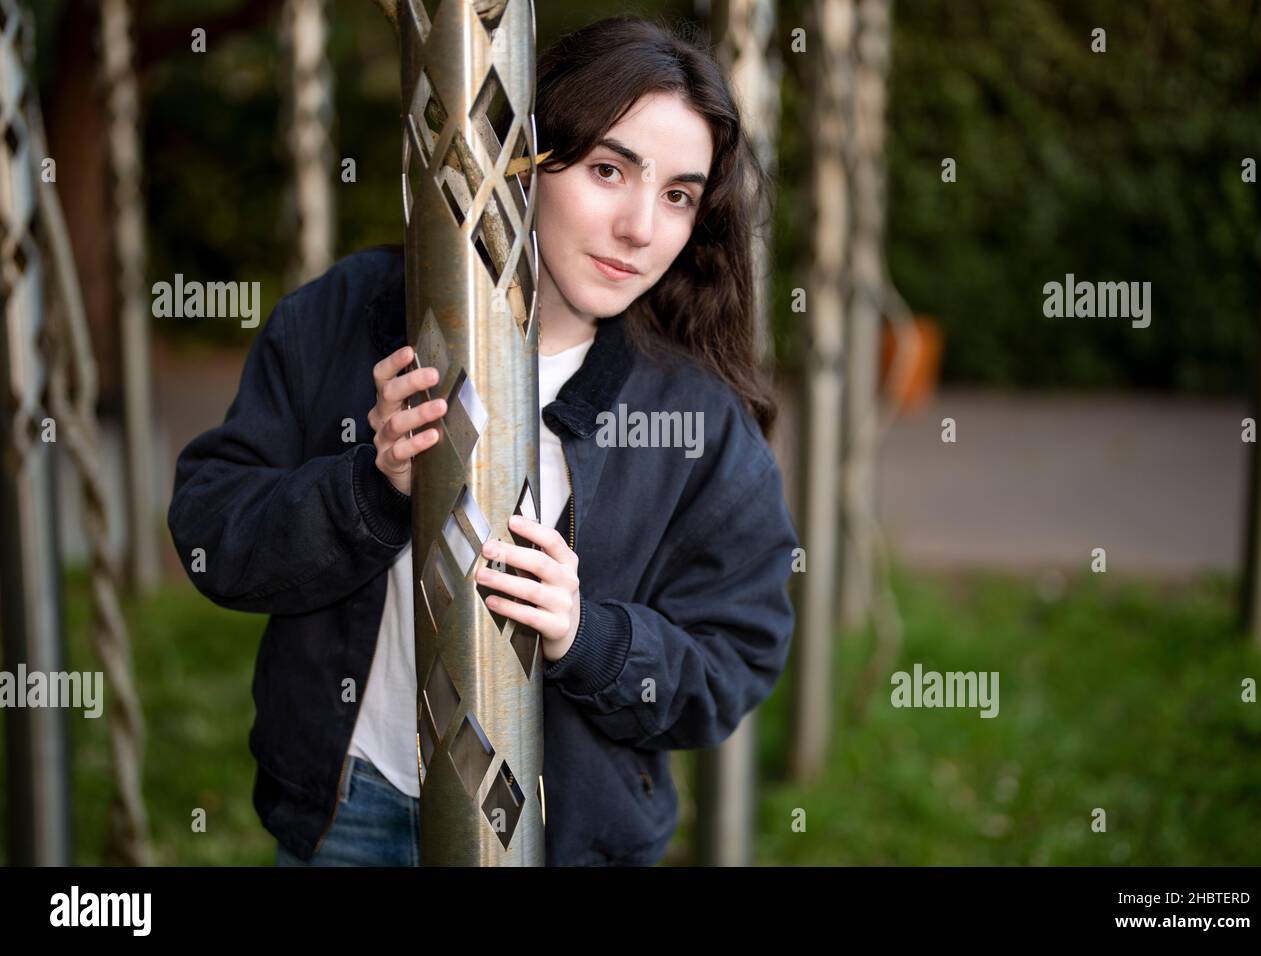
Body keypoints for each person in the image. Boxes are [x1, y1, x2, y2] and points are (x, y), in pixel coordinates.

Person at [167, 14, 799, 867]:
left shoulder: (695, 418)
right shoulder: (347, 316)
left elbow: (735, 661)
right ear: (521, 155)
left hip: (565, 842)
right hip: (349, 809)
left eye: (679, 194)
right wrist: (366, 488)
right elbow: (214, 533)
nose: (642, 227)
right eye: (610, 170)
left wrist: (593, 638)